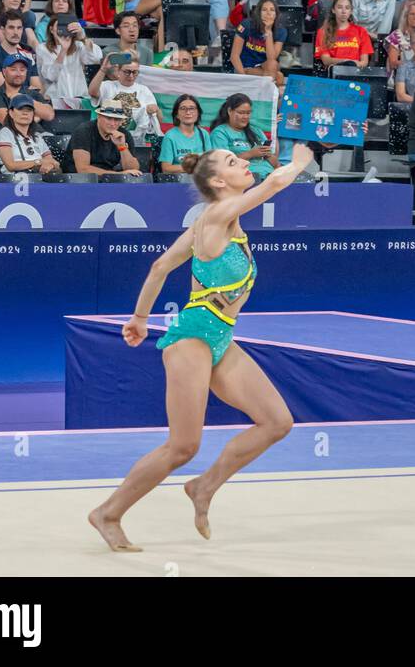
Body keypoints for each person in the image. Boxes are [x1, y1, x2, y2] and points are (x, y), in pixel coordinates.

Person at [88, 138, 313, 550]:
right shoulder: (215, 216)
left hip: (221, 335)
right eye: (232, 161)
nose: (242, 163)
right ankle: (109, 512)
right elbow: (276, 183)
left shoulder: (215, 225)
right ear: (217, 182)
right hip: (192, 335)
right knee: (184, 445)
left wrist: (139, 318)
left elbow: (159, 267)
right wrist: (300, 160)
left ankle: (205, 486)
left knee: (277, 422)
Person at [36, 16, 103, 107]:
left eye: (67, 26)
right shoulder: (42, 48)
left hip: (80, 99)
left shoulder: (79, 45)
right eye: (59, 26)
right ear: (51, 29)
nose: (63, 29)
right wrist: (63, 50)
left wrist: (83, 37)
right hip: (55, 101)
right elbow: (50, 76)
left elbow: (95, 59)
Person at [66, 102, 143, 177]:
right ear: (99, 117)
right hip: (77, 181)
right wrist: (118, 175)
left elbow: (133, 170)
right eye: (109, 118)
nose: (112, 124)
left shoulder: (123, 134)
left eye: (117, 119)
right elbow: (83, 169)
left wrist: (122, 147)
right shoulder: (84, 131)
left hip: (107, 179)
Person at [314, 0, 372, 68]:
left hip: (355, 72)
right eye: (340, 7)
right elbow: (326, 60)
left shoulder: (361, 31)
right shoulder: (323, 31)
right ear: (333, 10)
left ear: (351, 11)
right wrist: (346, 62)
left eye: (347, 8)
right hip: (334, 72)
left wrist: (352, 65)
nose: (343, 11)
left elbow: (364, 62)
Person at [158, 96, 211, 173]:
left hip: (200, 180)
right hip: (178, 182)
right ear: (177, 114)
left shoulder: (204, 134)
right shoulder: (170, 136)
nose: (188, 112)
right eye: (183, 108)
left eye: (192, 108)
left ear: (198, 113)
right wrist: (192, 168)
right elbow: (166, 168)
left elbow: (210, 163)